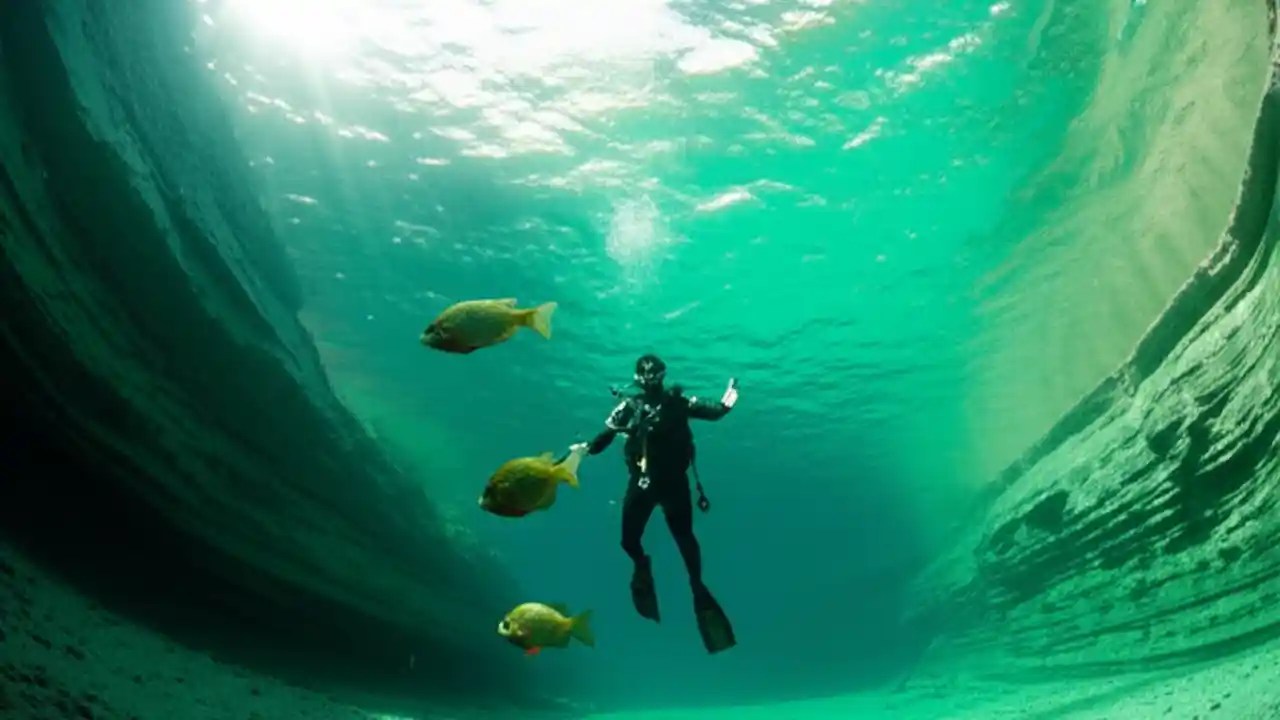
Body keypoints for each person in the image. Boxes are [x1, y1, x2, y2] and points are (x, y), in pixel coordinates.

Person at [569, 353, 740, 654]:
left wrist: (727, 402)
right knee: (631, 541)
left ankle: (695, 585)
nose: (649, 379)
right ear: (639, 378)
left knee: (681, 539)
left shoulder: (677, 402)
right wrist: (587, 449)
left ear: (660, 376)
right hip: (647, 484)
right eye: (645, 375)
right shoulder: (633, 406)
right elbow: (607, 435)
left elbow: (715, 410)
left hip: (669, 485)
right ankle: (648, 566)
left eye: (653, 374)